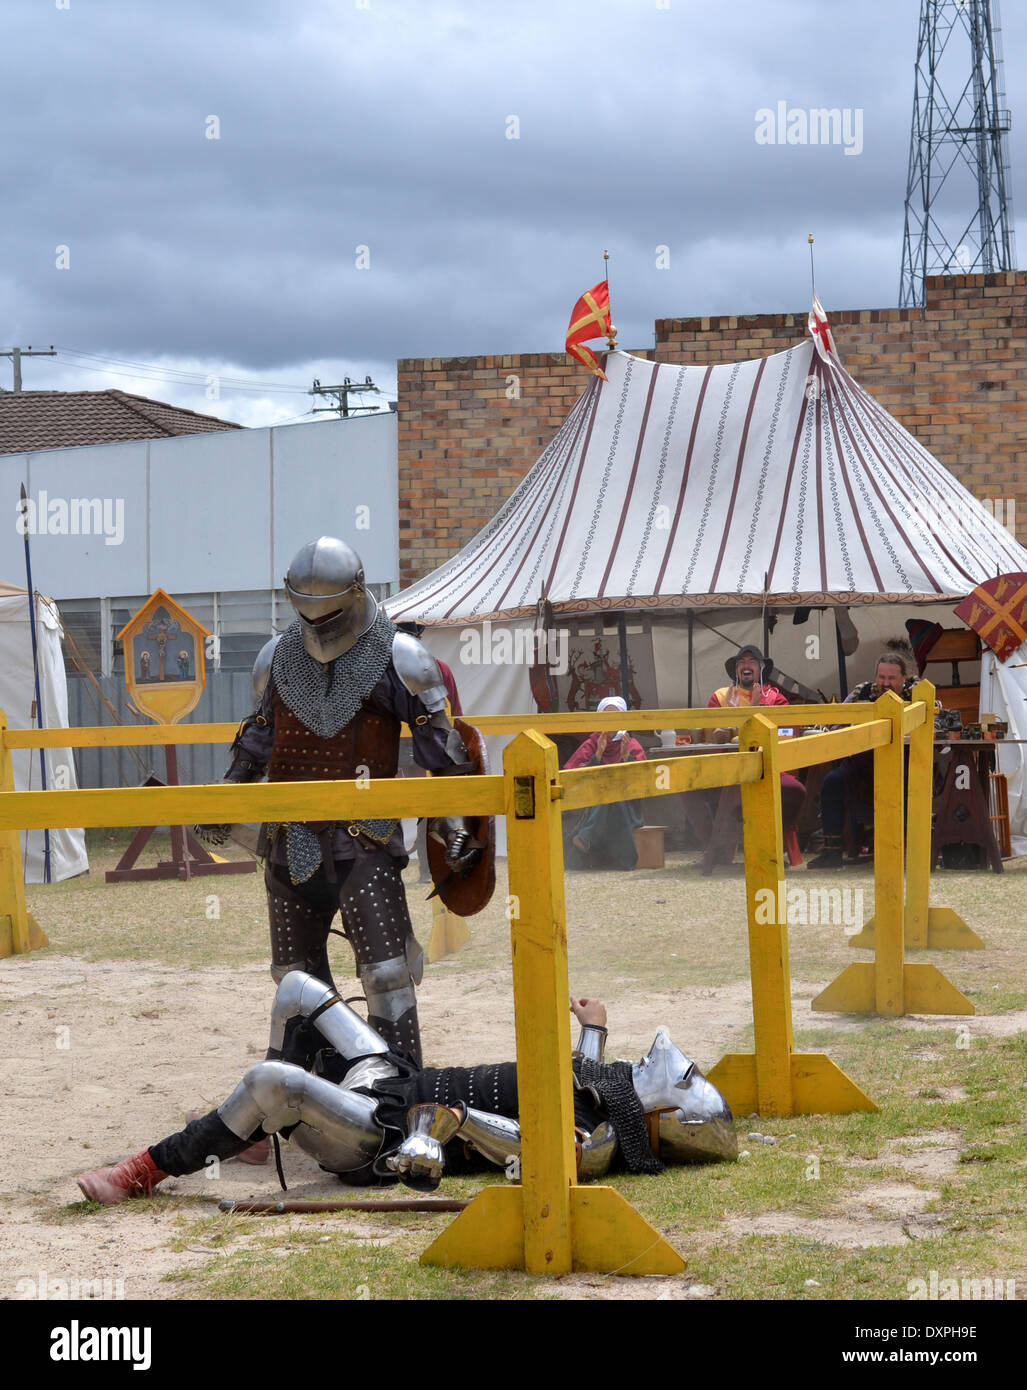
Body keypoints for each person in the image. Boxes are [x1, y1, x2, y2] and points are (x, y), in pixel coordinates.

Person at [195, 537, 493, 1067]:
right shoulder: (275, 658)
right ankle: (313, 1085)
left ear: (356, 594)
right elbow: (258, 737)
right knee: (296, 982)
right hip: (288, 842)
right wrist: (228, 796)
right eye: (308, 615)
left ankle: (400, 1088)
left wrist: (455, 828)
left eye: (329, 615)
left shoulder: (401, 657)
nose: (319, 627)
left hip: (364, 843)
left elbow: (444, 755)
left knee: (386, 975)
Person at [76, 972, 738, 1205]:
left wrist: (455, 1123)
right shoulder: (611, 1091)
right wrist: (594, 1029)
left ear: (666, 1112)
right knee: (298, 989)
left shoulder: (594, 1143)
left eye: (681, 1076)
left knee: (269, 1080)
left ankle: (141, 1172)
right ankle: (253, 1133)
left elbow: (528, 1145)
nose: (667, 1056)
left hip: (381, 1134)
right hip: (396, 1080)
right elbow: (583, 1077)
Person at [686, 647, 806, 858]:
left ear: (761, 668)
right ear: (736, 670)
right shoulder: (720, 697)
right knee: (686, 787)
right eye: (741, 662)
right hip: (727, 768)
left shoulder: (775, 699)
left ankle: (775, 845)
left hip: (765, 769)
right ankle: (715, 848)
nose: (746, 665)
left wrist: (754, 708)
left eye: (752, 661)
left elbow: (787, 735)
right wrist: (729, 722)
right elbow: (710, 737)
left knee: (796, 790)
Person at [808, 651, 915, 869]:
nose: (886, 683)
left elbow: (937, 722)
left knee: (908, 788)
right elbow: (836, 722)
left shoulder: (916, 692)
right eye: (881, 677)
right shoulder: (861, 692)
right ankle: (832, 852)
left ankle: (905, 851)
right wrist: (847, 730)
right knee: (832, 782)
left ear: (903, 678)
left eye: (892, 678)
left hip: (903, 763)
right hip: (862, 763)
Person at [563, 696, 648, 869]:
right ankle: (622, 859)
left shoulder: (630, 744)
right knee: (608, 793)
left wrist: (626, 758)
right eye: (605, 717)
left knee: (612, 794)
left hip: (627, 805)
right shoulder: (592, 744)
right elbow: (572, 776)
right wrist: (597, 757)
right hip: (592, 804)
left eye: (614, 718)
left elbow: (642, 779)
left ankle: (586, 836)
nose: (609, 723)